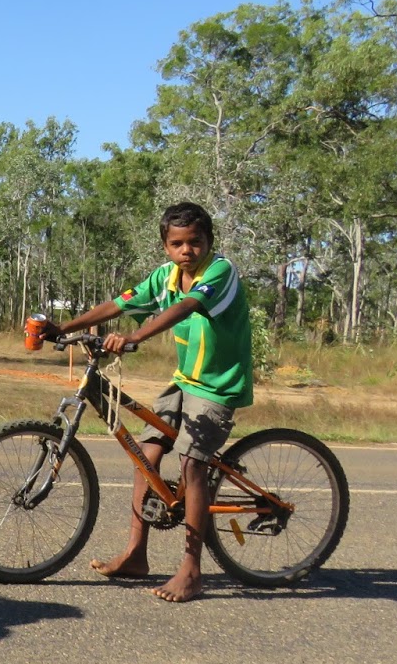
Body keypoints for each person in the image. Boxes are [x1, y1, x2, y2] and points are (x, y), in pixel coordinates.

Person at [40, 201, 252, 603]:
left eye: (195, 242)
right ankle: (136, 554)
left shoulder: (220, 272)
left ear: (209, 241)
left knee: (192, 464)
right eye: (177, 244)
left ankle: (191, 570)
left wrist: (135, 337)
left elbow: (186, 307)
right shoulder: (166, 276)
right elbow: (118, 304)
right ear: (165, 247)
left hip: (219, 386)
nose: (186, 250)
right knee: (143, 455)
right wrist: (62, 328)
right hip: (184, 381)